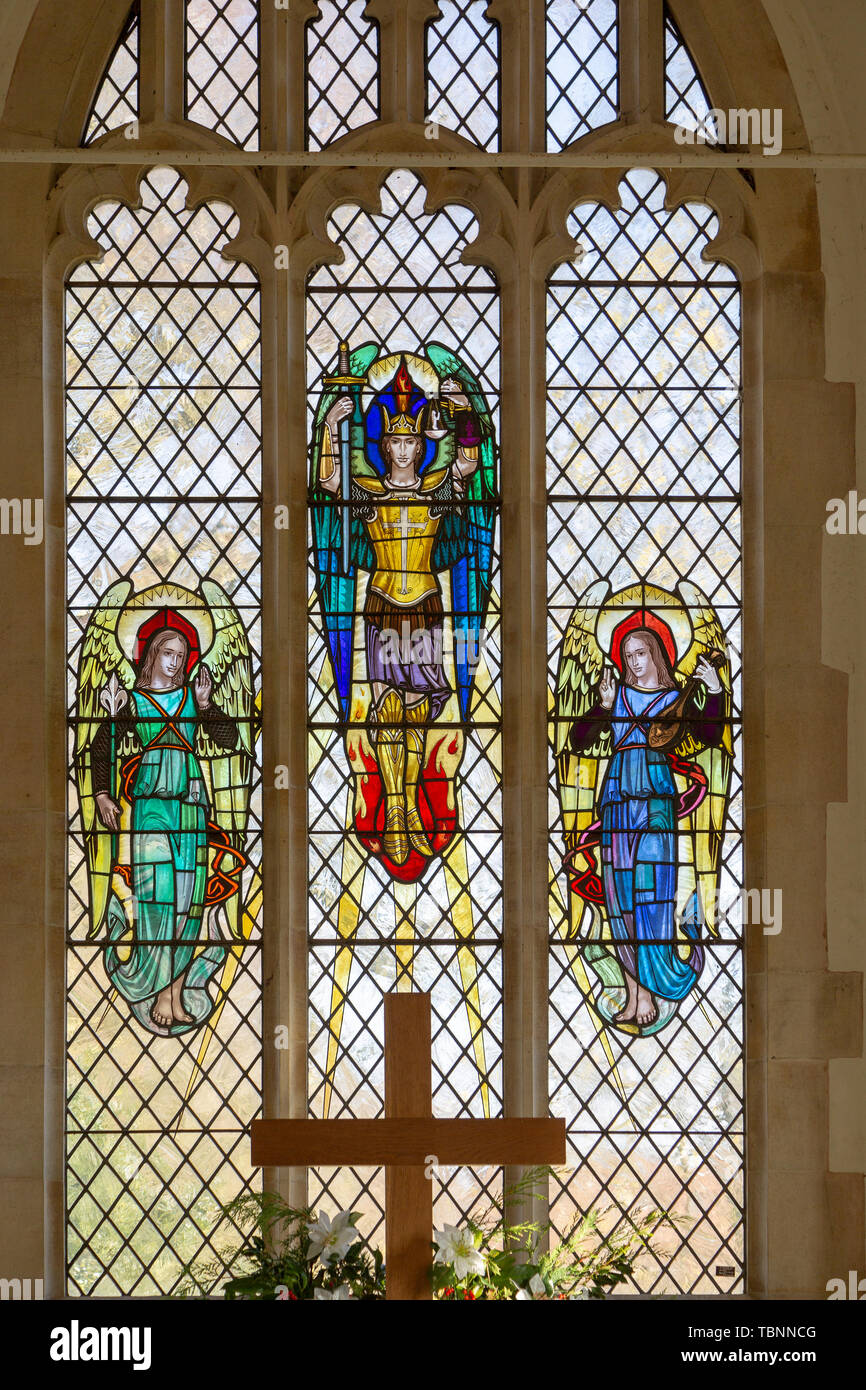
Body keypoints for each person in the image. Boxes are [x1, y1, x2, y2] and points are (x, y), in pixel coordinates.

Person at [319, 359, 480, 864]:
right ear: (384, 447)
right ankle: (391, 813)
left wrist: (463, 411)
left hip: (427, 604)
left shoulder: (437, 491)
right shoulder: (364, 494)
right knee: (388, 707)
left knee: (417, 710)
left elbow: (469, 465)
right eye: (396, 442)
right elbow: (327, 482)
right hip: (384, 603)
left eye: (413, 442)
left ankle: (410, 806)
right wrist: (330, 426)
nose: (406, 449)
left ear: (421, 446)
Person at [569, 628, 724, 1028]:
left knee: (652, 893)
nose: (634, 661)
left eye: (640, 653)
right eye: (627, 654)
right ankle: (635, 993)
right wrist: (602, 709)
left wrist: (715, 690)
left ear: (656, 654)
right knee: (619, 896)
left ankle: (656, 983)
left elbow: (710, 735)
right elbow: (578, 739)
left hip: (657, 798)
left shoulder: (676, 700)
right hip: (619, 797)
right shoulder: (615, 696)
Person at [91, 627, 237, 1031]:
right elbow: (102, 744)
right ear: (152, 655)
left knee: (188, 900)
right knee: (158, 900)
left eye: (182, 655)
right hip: (152, 808)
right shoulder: (133, 702)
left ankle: (172, 993)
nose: (175, 662)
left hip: (190, 807)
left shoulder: (194, 696)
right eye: (168, 653)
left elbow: (231, 738)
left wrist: (207, 708)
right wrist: (103, 794)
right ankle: (158, 989)